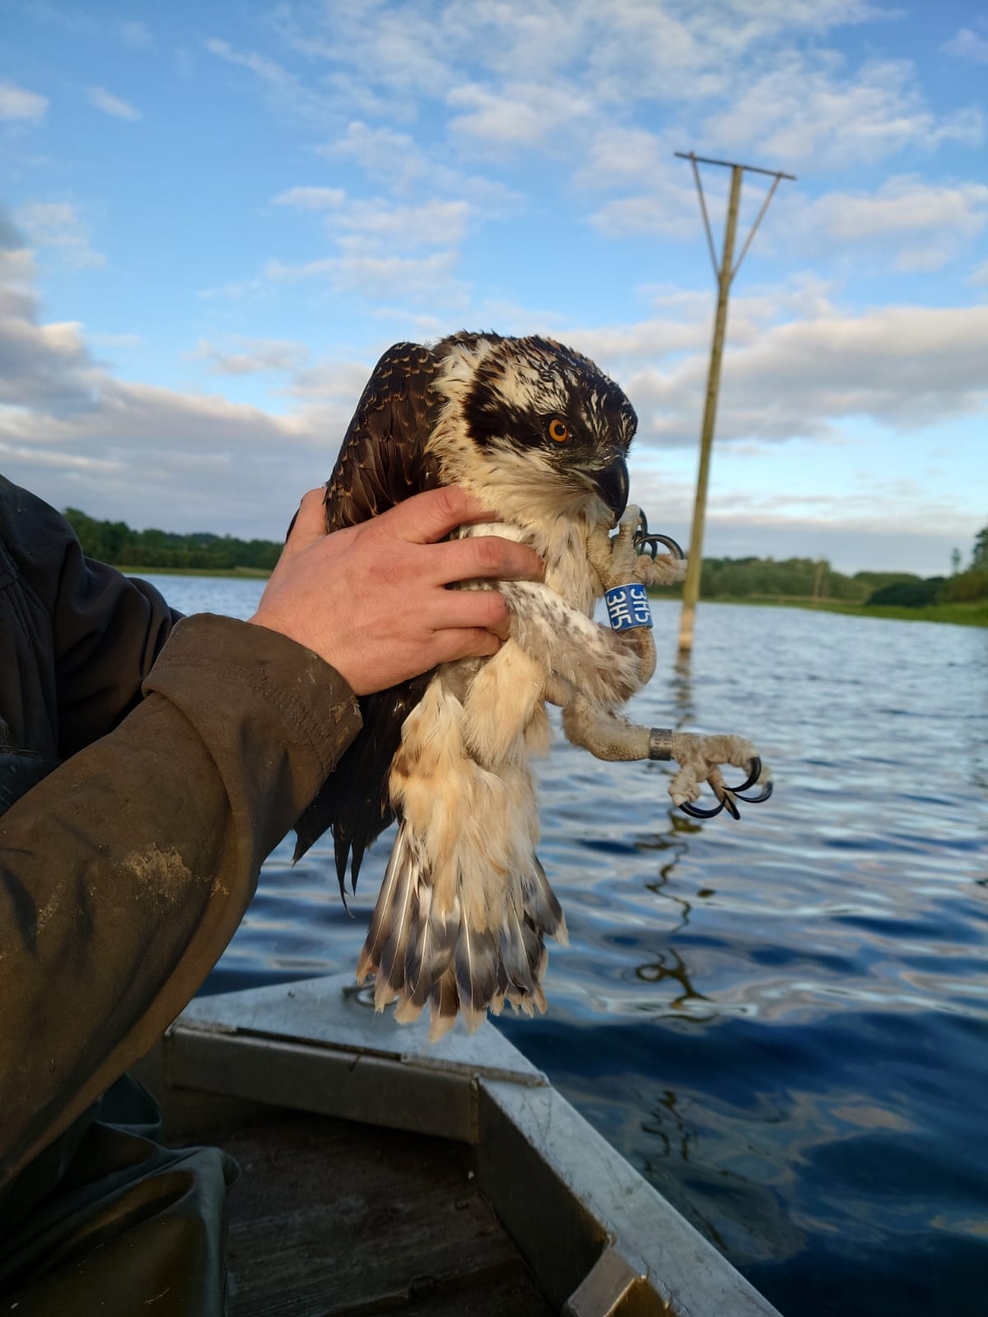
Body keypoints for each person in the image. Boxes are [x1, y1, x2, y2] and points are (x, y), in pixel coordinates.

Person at [0, 474, 543, 1315]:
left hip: (73, 1164)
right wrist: (286, 667)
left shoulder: (14, 543)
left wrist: (368, 647)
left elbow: (158, 667)